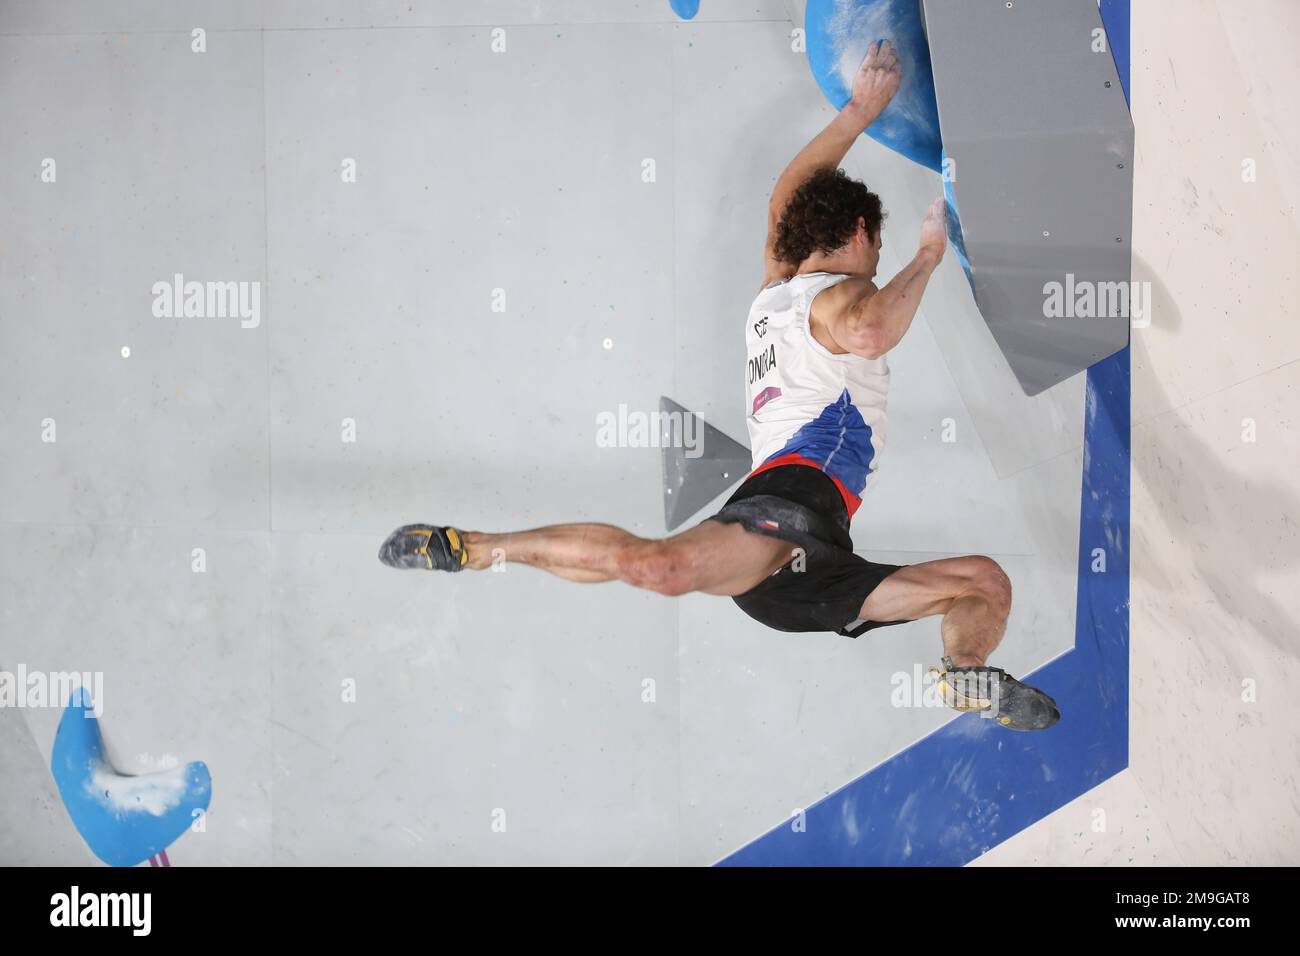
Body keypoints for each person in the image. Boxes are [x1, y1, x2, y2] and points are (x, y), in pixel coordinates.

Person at [379, 40, 1058, 731]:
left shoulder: (778, 288)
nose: (875, 263)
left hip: (810, 561)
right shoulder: (839, 302)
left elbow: (787, 196)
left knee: (982, 584)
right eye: (875, 249)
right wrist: (928, 257)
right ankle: (475, 546)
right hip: (780, 516)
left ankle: (966, 675)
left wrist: (859, 112)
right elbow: (870, 333)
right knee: (658, 568)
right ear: (860, 233)